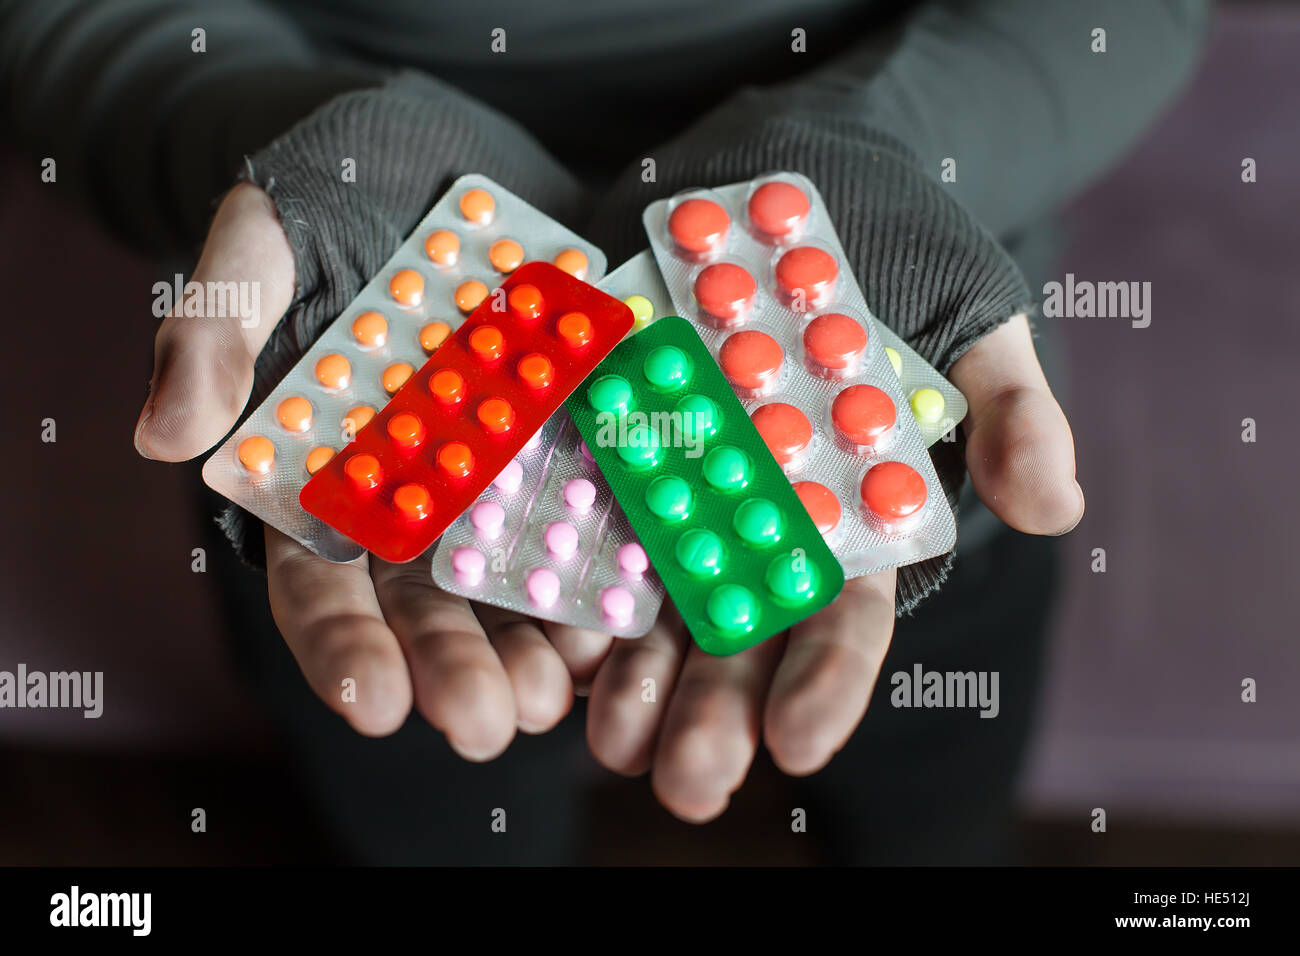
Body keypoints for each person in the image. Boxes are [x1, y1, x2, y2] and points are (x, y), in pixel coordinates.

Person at [0, 0, 1207, 862]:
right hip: (337, 330)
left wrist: (891, 138)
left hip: (899, 349)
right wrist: (304, 138)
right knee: (425, 800)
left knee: (930, 810)